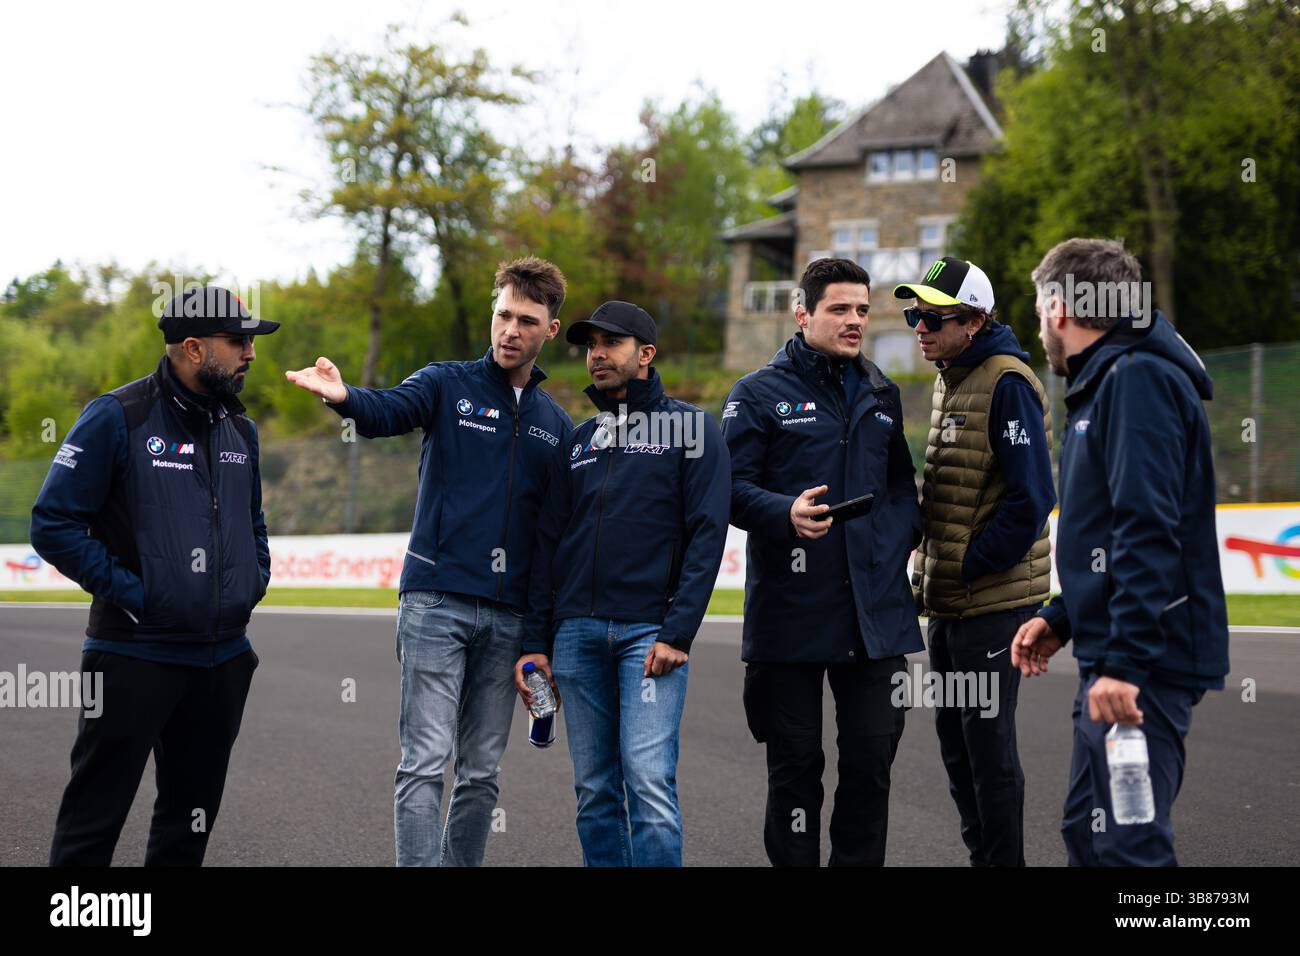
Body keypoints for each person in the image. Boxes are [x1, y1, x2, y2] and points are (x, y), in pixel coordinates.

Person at [285, 256, 573, 867]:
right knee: (423, 763)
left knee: (481, 774)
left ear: (550, 329)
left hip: (509, 618)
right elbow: (387, 410)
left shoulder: (557, 427)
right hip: (435, 603)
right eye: (502, 315)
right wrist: (344, 397)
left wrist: (540, 635)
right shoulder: (446, 384)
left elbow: (554, 542)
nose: (509, 330)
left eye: (526, 320)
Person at [31, 285, 277, 865]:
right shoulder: (117, 415)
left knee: (187, 827)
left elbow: (254, 523)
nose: (251, 353)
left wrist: (251, 583)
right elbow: (53, 522)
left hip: (222, 659)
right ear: (192, 348)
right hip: (133, 654)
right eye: (238, 340)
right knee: (95, 818)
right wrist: (140, 596)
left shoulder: (240, 429)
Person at [1011, 237, 1230, 866]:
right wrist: (1061, 618)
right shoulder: (1108, 381)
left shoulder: (1136, 379)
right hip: (1117, 652)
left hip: (1143, 665)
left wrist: (1126, 664)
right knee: (1090, 832)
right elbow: (1107, 539)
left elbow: (1148, 530)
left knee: (1127, 849)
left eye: (1038, 308)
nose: (1040, 326)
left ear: (1058, 308)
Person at [721, 257, 922, 866]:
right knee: (795, 771)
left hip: (875, 616)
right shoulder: (756, 394)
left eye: (862, 309)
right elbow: (726, 487)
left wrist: (889, 548)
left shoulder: (882, 392)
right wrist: (783, 512)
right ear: (802, 313)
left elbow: (901, 492)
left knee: (870, 767)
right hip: (791, 616)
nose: (855, 320)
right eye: (840, 309)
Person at [515, 301, 729, 866]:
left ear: (646, 354)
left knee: (650, 784)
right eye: (591, 346)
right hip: (575, 638)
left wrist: (678, 632)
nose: (598, 355)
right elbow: (547, 546)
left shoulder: (692, 429)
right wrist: (537, 642)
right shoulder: (578, 440)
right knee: (594, 791)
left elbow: (708, 537)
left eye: (612, 343)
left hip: (649, 637)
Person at [894, 256, 1056, 866]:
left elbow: (1033, 498)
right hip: (950, 604)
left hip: (992, 603)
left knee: (987, 751)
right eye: (914, 314)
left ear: (974, 319)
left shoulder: (1007, 380)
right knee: (958, 749)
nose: (919, 326)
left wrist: (968, 566)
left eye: (932, 316)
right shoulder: (951, 376)